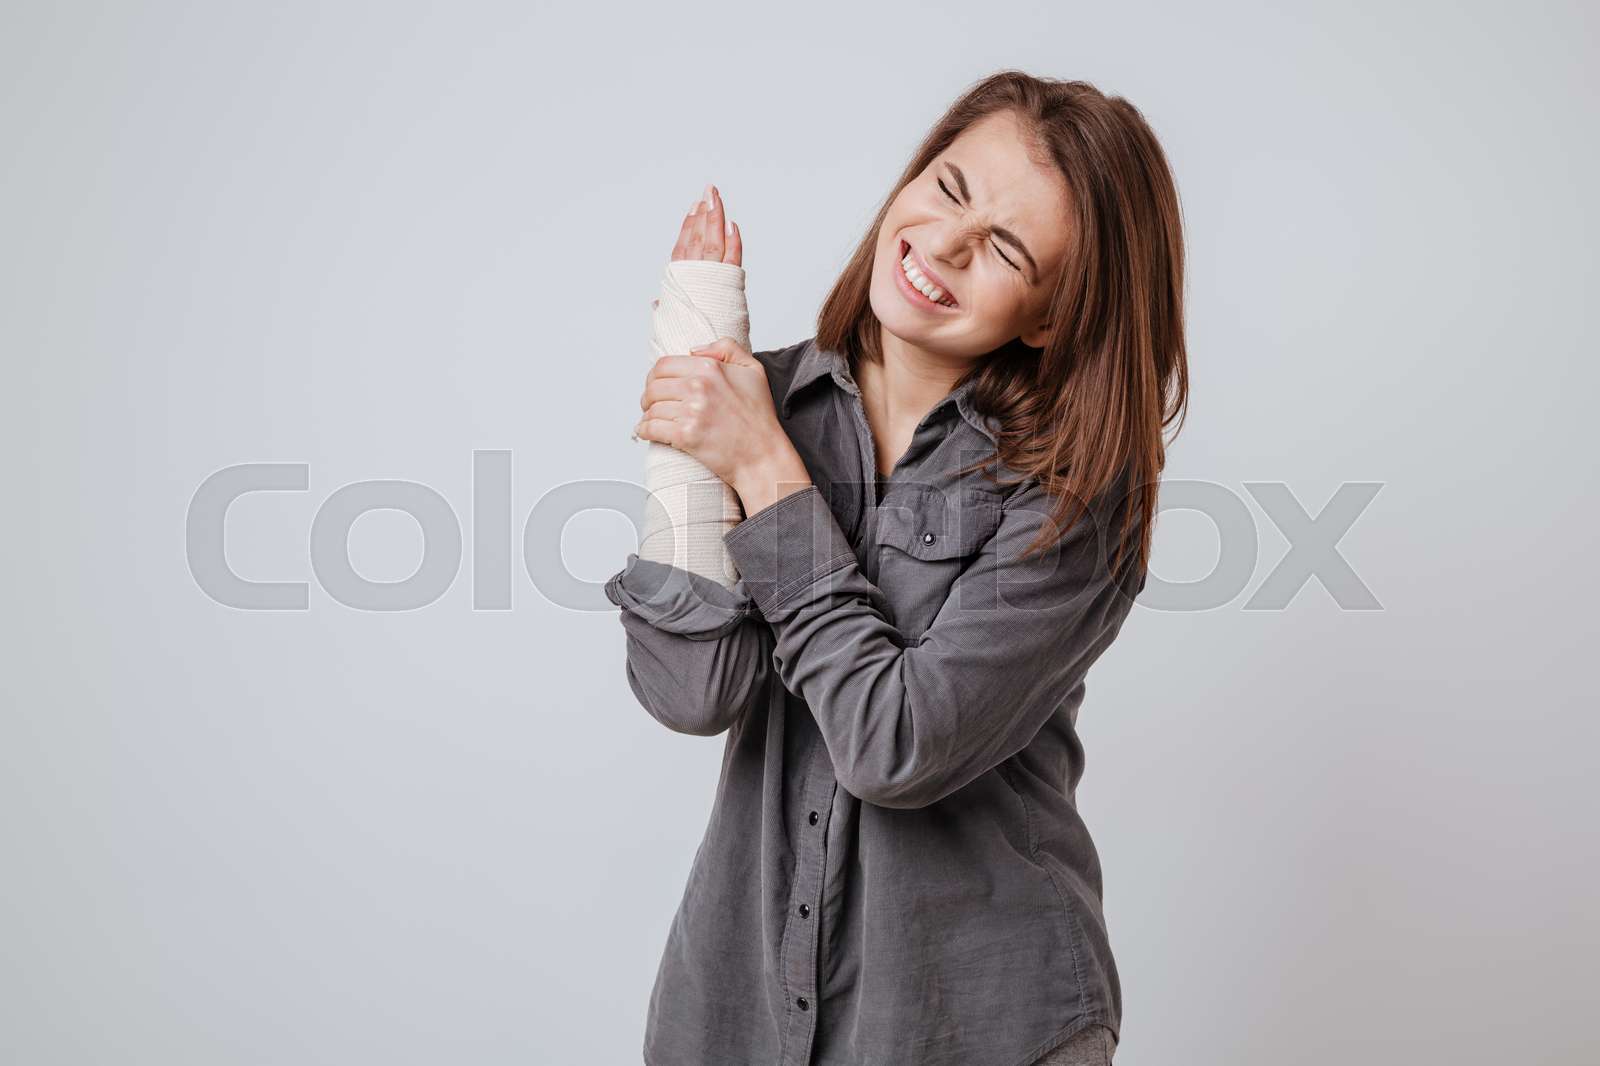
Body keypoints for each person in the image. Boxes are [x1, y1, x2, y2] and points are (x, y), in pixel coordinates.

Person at [609, 70, 1188, 1066]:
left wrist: (759, 471)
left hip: (975, 1021)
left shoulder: (1076, 488)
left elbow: (896, 746)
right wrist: (709, 407)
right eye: (950, 190)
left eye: (1005, 249)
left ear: (1049, 317)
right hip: (737, 1012)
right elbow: (694, 691)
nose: (946, 247)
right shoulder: (769, 400)